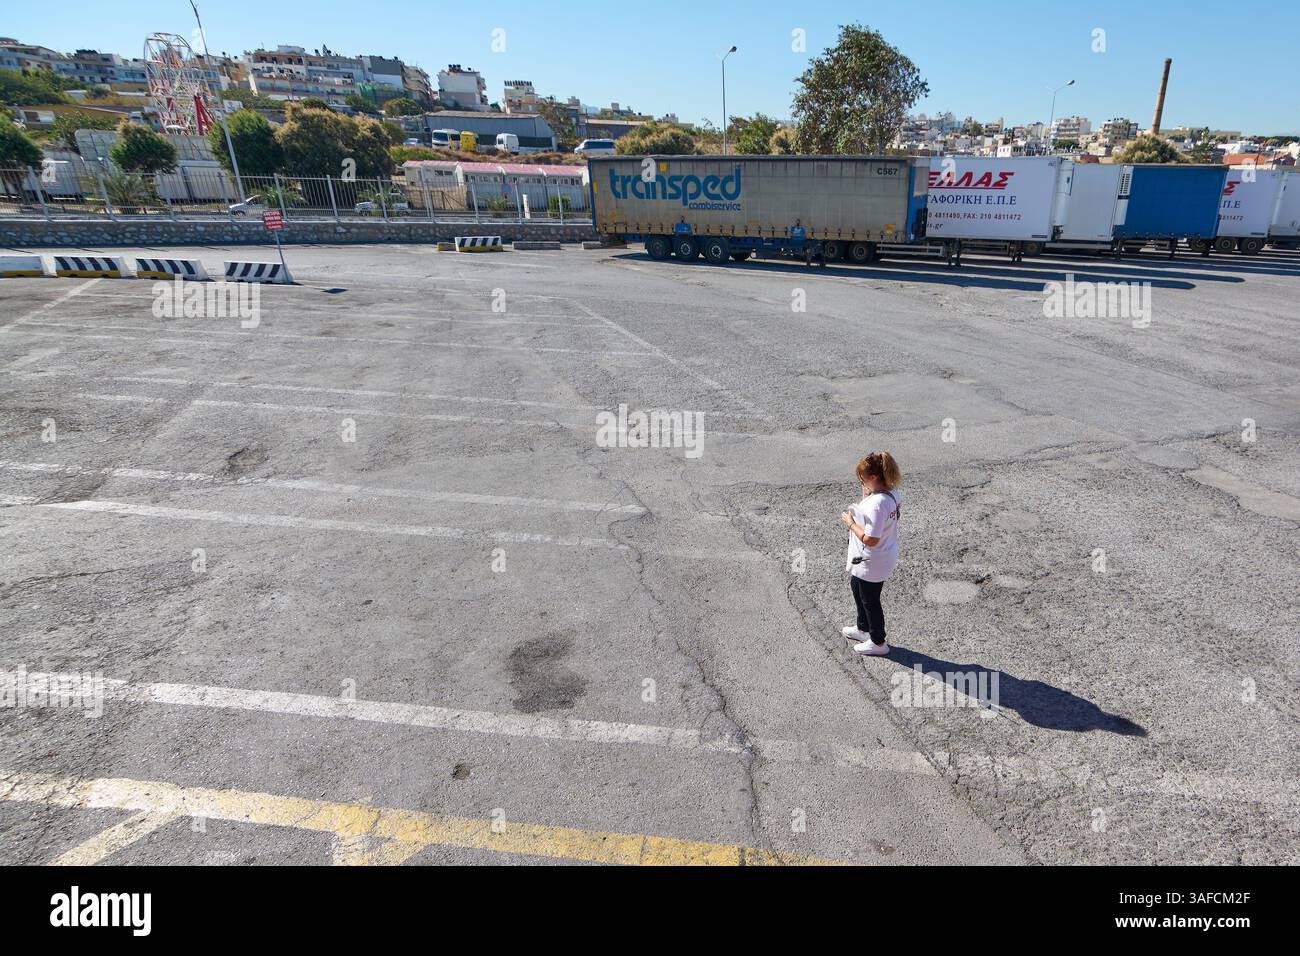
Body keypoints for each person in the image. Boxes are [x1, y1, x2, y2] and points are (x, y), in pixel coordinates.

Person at [839, 452, 903, 656]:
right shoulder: (891, 494)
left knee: (870, 600)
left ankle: (878, 642)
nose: (861, 481)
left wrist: (851, 524)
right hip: (879, 556)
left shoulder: (878, 504)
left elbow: (871, 539)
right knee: (856, 587)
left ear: (874, 477)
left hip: (872, 559)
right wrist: (867, 495)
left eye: (862, 478)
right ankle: (862, 628)